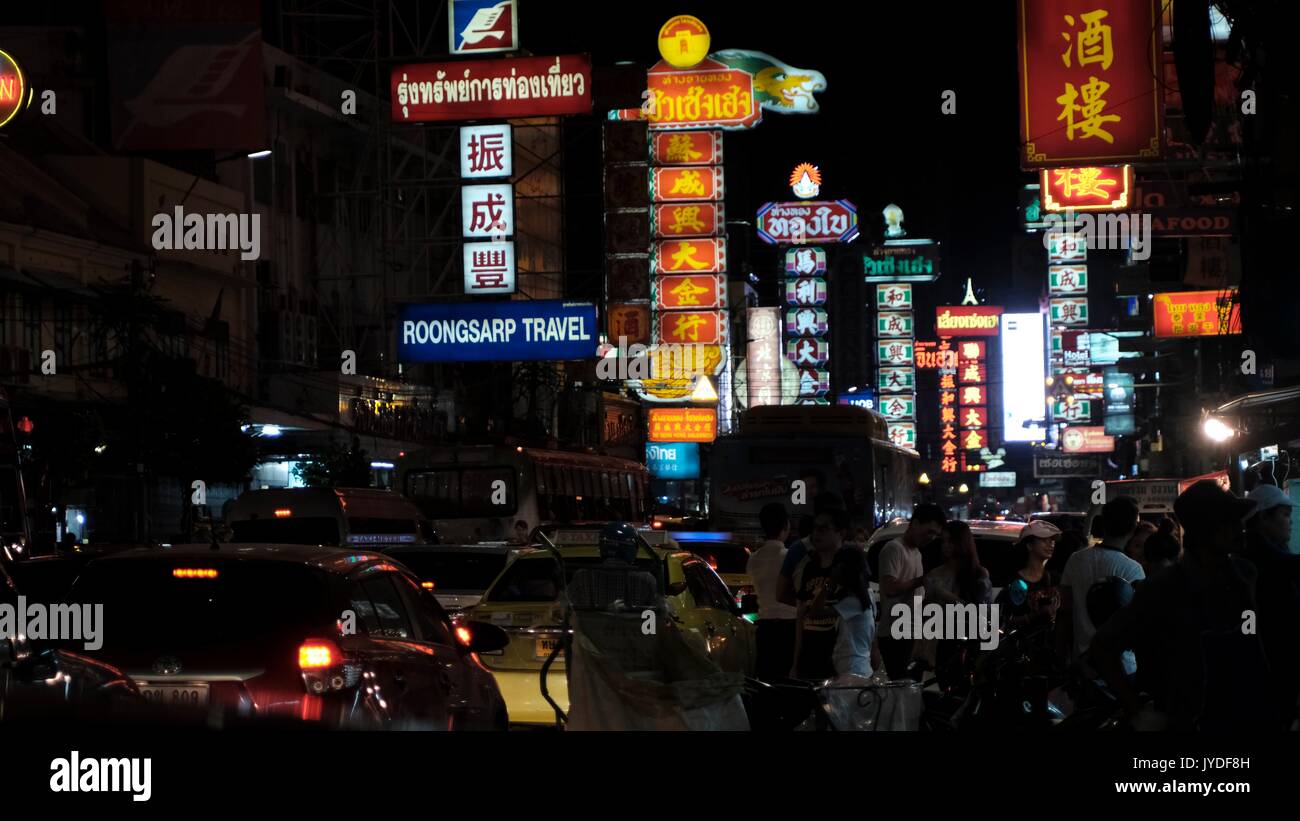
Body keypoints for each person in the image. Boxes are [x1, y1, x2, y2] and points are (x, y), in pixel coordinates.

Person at [1091, 481, 1269, 731]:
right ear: (1206, 530)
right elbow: (1103, 647)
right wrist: (1137, 711)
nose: (1240, 529)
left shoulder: (1245, 576)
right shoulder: (1163, 588)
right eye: (1229, 522)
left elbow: (1254, 645)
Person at [1057, 496, 1145, 676]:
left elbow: (1064, 613)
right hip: (1123, 669)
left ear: (1104, 524)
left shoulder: (1076, 560)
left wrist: (1061, 658)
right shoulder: (1133, 569)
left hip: (1082, 666)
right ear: (1133, 529)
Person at [1239, 484, 1300, 728]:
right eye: (1284, 515)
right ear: (1263, 517)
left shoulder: (1270, 552)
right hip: (1271, 665)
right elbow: (1247, 618)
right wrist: (1251, 641)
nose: (1290, 522)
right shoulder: (1257, 556)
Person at [877, 503, 946, 680]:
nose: (931, 538)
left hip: (911, 632)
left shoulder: (917, 553)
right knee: (901, 688)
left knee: (911, 689)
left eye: (936, 535)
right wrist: (923, 580)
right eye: (929, 531)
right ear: (915, 523)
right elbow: (889, 588)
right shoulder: (894, 548)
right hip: (894, 633)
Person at [921, 520, 991, 680]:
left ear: (961, 542)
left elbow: (984, 616)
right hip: (943, 646)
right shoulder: (935, 576)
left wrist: (948, 597)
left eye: (951, 541)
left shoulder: (978, 575)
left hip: (970, 648)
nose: (946, 545)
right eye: (943, 540)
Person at [790, 508, 849, 680]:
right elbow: (801, 616)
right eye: (815, 529)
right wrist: (796, 662)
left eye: (823, 529)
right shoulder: (809, 568)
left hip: (838, 660)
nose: (816, 534)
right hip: (809, 658)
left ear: (841, 533)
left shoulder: (848, 569)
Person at [746, 502, 798, 682]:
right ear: (785, 526)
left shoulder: (753, 559)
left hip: (765, 626)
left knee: (768, 679)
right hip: (789, 626)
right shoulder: (789, 556)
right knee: (789, 679)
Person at [777, 491, 845, 607]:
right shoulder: (799, 551)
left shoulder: (850, 553)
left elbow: (781, 594)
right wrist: (809, 607)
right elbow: (781, 594)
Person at [998, 520, 1062, 632]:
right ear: (1030, 545)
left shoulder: (1055, 578)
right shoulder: (1016, 583)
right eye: (1043, 539)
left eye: (1052, 540)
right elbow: (1006, 621)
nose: (1050, 543)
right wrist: (1035, 616)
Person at [829, 546, 875, 679]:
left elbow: (815, 612)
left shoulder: (853, 601)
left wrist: (829, 587)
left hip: (852, 670)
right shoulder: (867, 595)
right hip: (859, 666)